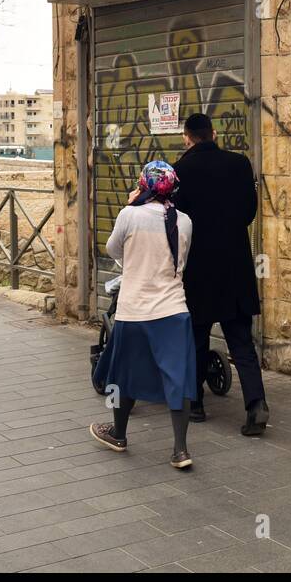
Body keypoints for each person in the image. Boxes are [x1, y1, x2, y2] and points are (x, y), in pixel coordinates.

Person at [90, 160, 198, 468]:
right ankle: (180, 450)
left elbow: (113, 249)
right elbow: (182, 262)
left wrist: (131, 209)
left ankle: (119, 434)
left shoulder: (129, 215)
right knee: (179, 378)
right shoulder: (186, 221)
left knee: (123, 374)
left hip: (134, 309)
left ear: (145, 186)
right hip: (174, 310)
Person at [172, 112, 268, 436]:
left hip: (198, 268)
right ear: (214, 133)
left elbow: (177, 221)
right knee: (241, 341)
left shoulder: (181, 170)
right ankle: (256, 405)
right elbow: (248, 212)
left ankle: (196, 404)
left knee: (196, 338)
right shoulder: (240, 164)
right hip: (235, 265)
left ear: (188, 137)